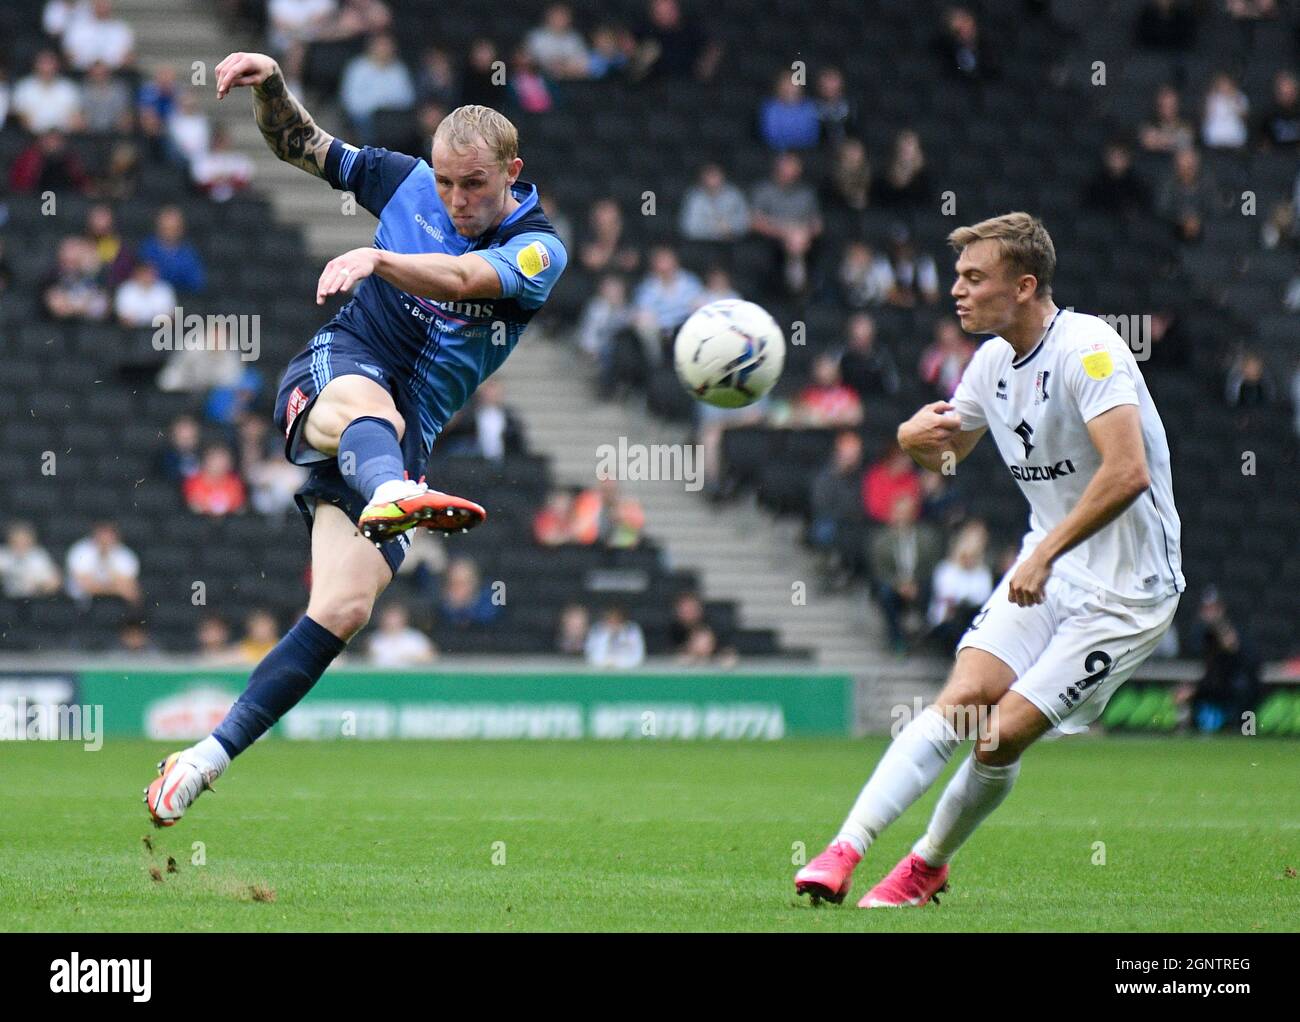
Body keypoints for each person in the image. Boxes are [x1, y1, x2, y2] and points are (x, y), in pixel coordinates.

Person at [144, 52, 567, 827]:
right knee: (376, 410)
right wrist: (272, 86)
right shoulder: (404, 180)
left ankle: (203, 759)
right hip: (339, 372)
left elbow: (468, 281)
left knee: (342, 610)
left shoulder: (540, 247)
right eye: (444, 182)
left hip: (406, 440)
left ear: (513, 170)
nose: (455, 197)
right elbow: (302, 145)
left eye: (473, 184)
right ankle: (390, 491)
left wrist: (379, 255)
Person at [796, 212, 1184, 908]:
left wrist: (1047, 553)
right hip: (1050, 562)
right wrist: (911, 440)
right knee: (962, 703)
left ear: (1025, 285)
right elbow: (952, 455)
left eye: (975, 277)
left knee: (996, 737)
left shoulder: (1091, 350)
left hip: (1127, 594)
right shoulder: (991, 362)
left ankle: (926, 864)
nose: (957, 290)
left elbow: (1128, 475)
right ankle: (844, 848)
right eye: (957, 275)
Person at [66, 521, 141, 605]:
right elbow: (84, 585)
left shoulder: (125, 554)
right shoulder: (81, 550)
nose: (105, 538)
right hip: (84, 602)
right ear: (95, 534)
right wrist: (114, 589)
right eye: (102, 533)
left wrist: (107, 558)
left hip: (115, 603)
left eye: (109, 534)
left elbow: (129, 587)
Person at [0, 522, 62, 598]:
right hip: (6, 600)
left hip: (33, 600)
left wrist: (39, 586)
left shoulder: (39, 556)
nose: (21, 544)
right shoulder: (3, 554)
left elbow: (54, 583)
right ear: (10, 540)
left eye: (24, 540)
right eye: (17, 541)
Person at [368, 603, 437, 666]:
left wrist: (410, 657)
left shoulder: (415, 637)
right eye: (390, 618)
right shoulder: (375, 639)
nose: (392, 622)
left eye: (395, 618)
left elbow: (431, 657)